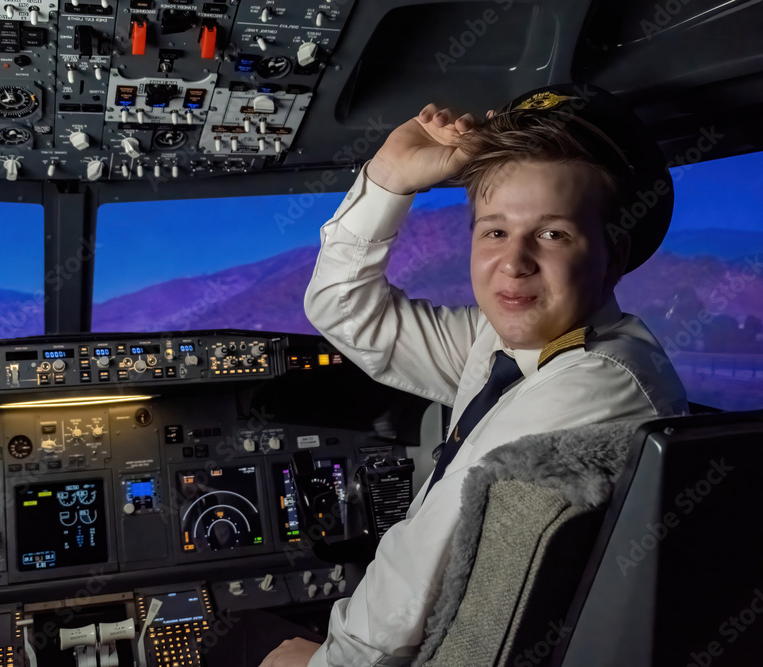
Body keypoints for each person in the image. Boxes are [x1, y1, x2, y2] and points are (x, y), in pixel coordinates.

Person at [259, 84, 689, 667]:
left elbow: (419, 568)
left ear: (613, 255)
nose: (513, 261)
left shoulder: (597, 382)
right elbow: (344, 309)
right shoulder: (507, 343)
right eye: (494, 231)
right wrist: (388, 176)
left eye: (552, 233)